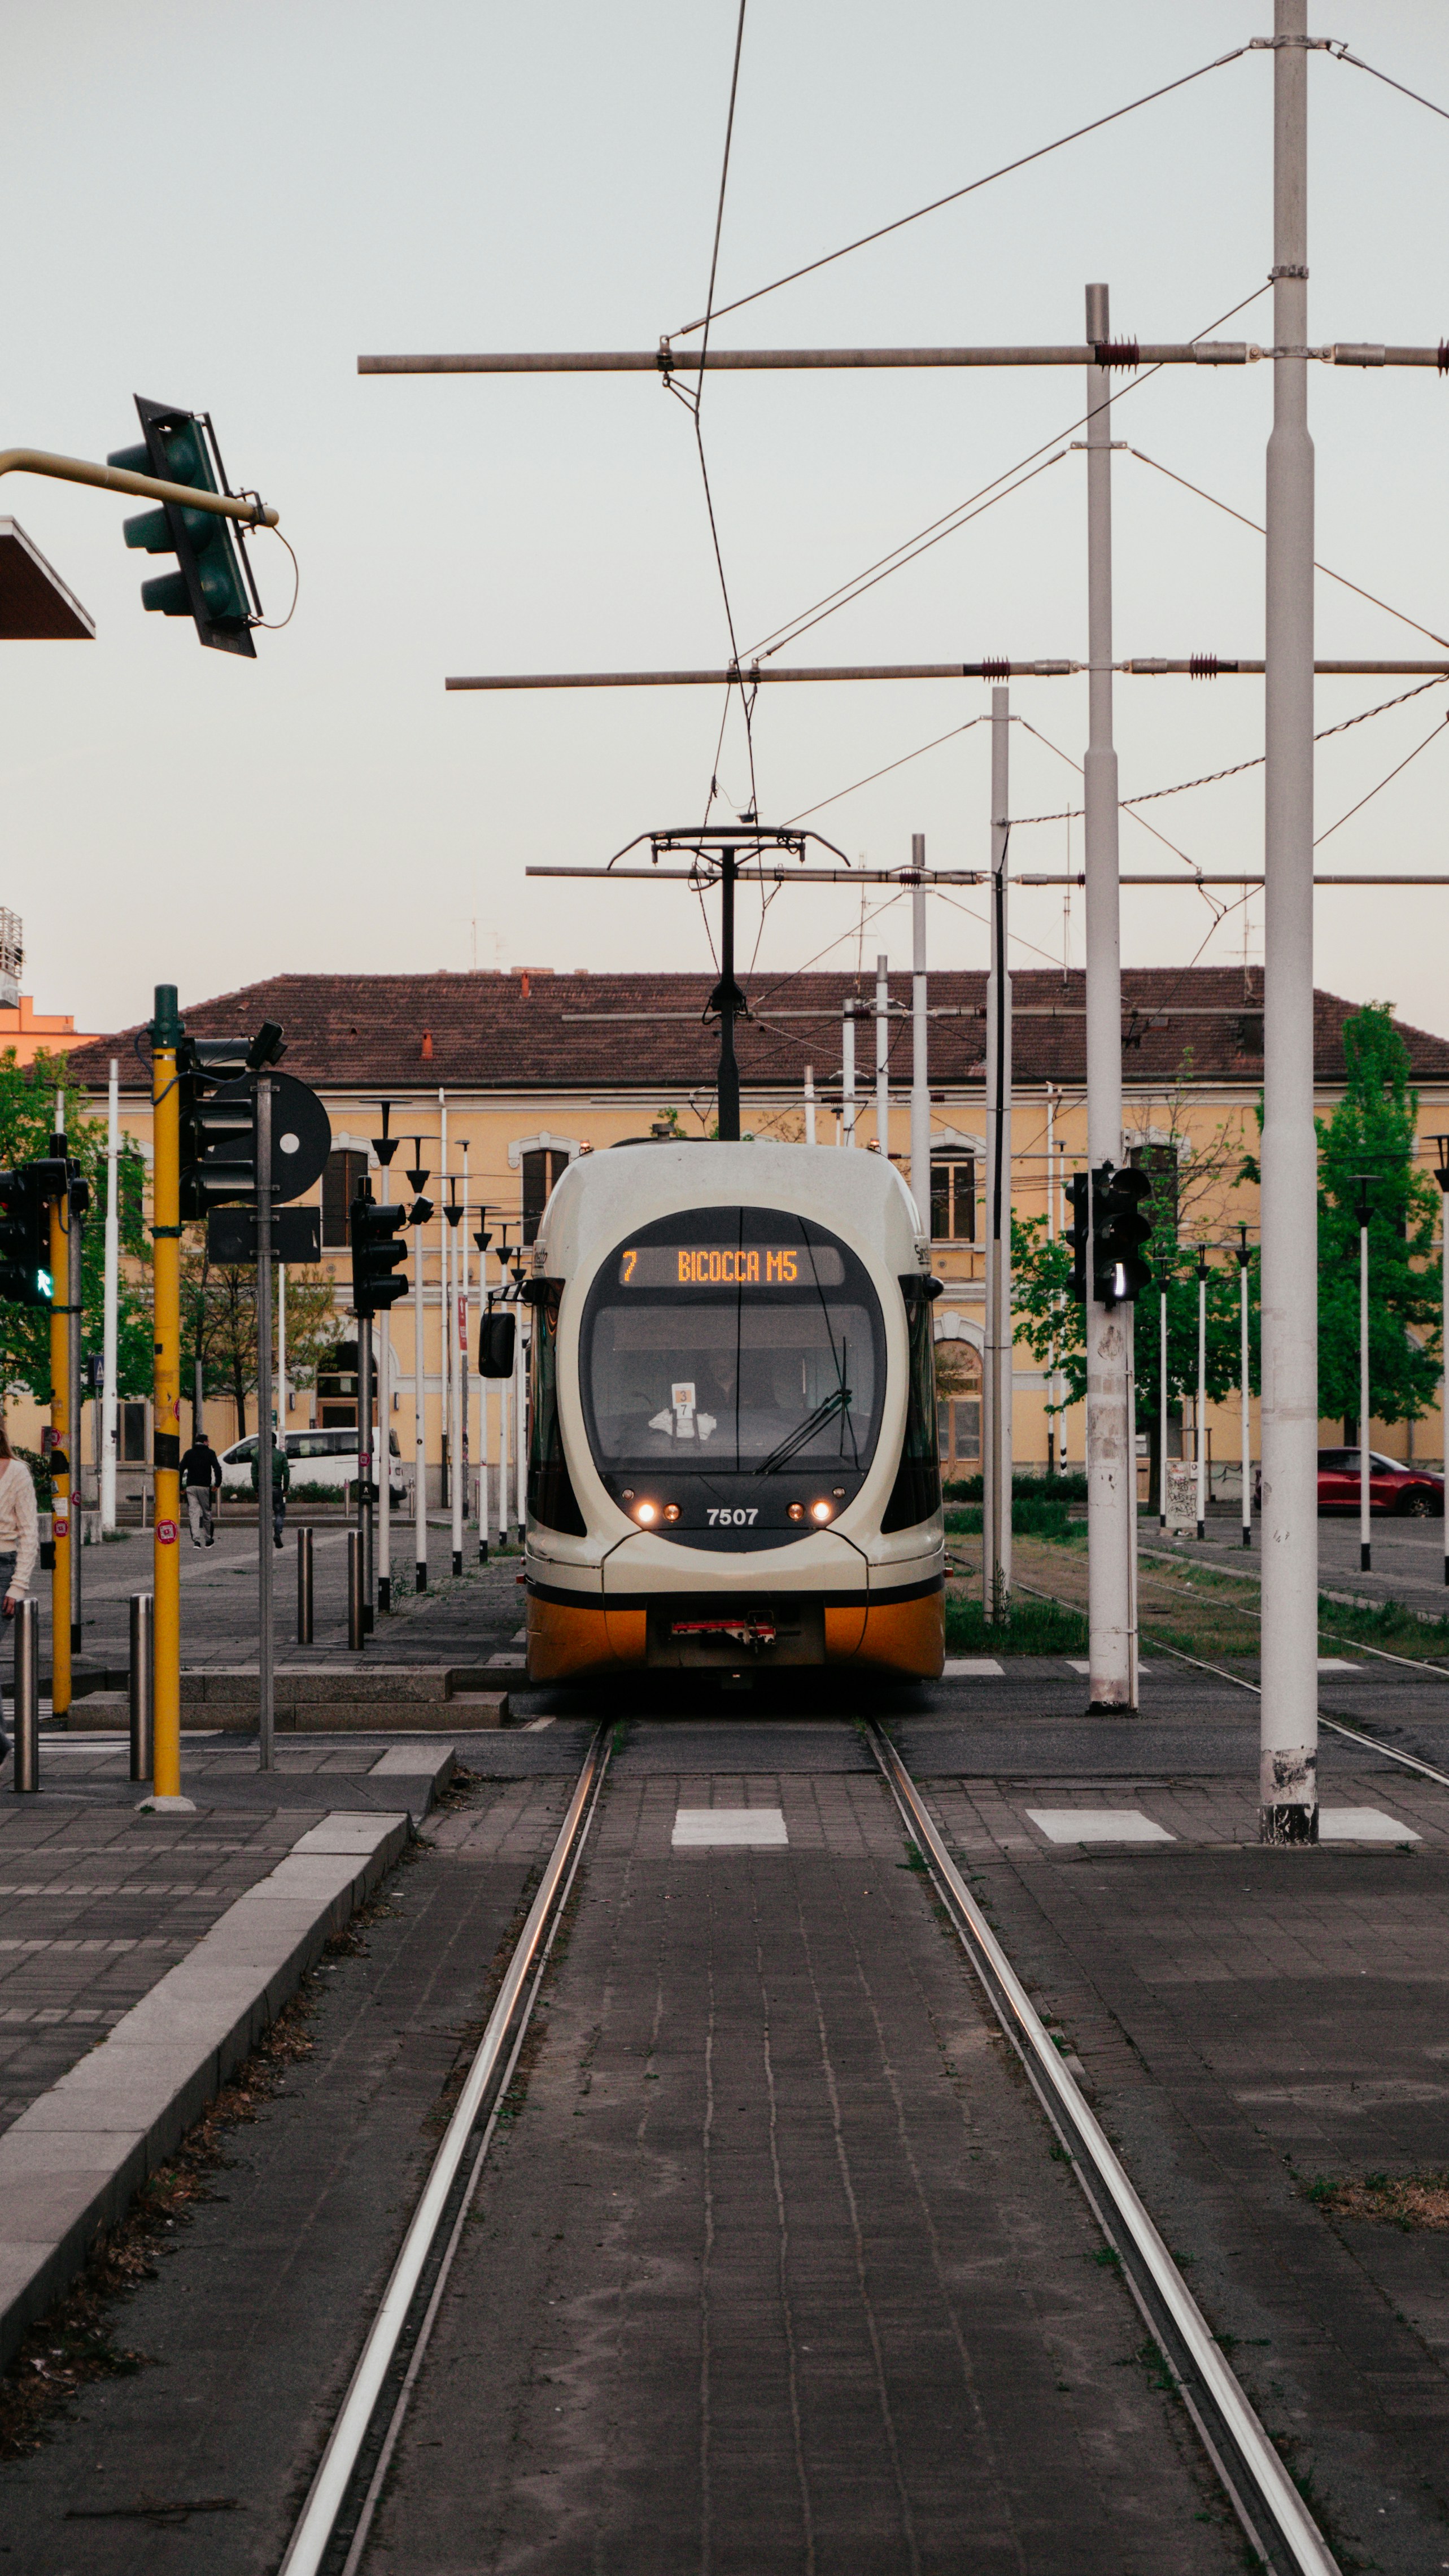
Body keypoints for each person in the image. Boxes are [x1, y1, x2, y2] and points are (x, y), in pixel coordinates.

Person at [0, 1422, 40, 1770]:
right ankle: (0, 1745)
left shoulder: (17, 1472)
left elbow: (29, 1533)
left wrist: (18, 1584)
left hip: (2, 1569)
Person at [180, 1428, 222, 1547]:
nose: (209, 1443)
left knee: (193, 1513)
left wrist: (180, 1486)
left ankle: (196, 1541)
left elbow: (181, 1469)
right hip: (204, 1487)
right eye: (208, 1442)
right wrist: (217, 1484)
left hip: (191, 1487)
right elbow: (217, 1469)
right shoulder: (210, 1453)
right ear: (204, 1442)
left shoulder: (188, 1453)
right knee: (206, 1513)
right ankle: (208, 1539)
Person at [250, 1435, 290, 1549]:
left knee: (264, 1514)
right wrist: (285, 1489)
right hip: (276, 1488)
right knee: (279, 1512)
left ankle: (265, 1538)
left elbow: (254, 1474)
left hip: (263, 1488)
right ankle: (277, 1533)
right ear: (276, 1442)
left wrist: (256, 1489)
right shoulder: (281, 1455)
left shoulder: (258, 1455)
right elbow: (286, 1473)